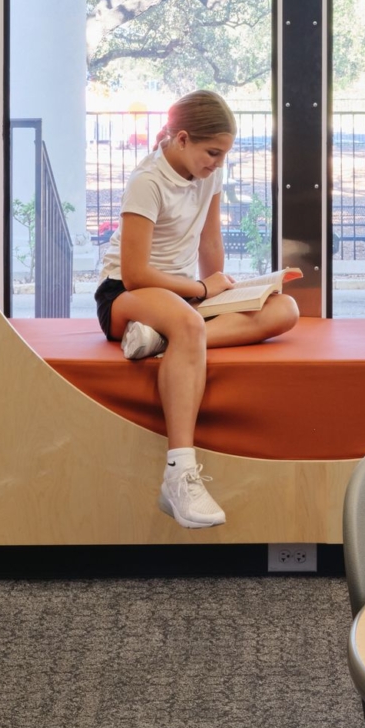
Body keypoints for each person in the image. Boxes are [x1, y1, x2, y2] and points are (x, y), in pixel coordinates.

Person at [94, 91, 300, 528]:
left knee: (285, 310)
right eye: (213, 153)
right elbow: (133, 274)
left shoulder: (208, 176)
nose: (218, 163)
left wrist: (229, 293)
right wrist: (202, 289)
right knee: (187, 322)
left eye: (224, 154)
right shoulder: (147, 182)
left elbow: (209, 244)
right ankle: (179, 474)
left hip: (183, 297)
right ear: (182, 139)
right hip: (126, 297)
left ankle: (161, 340)